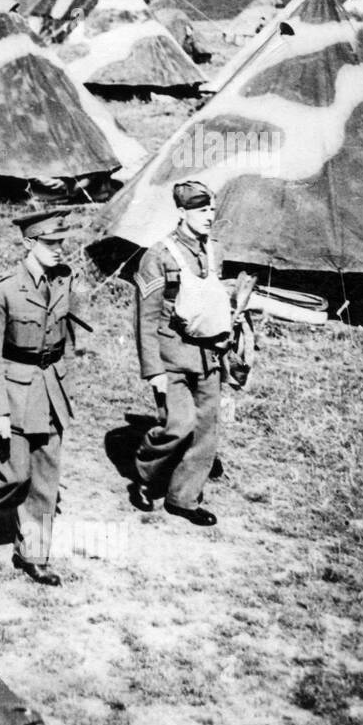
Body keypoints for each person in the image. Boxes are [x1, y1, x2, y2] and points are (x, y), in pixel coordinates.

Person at [0, 208, 82, 585]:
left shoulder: (65, 280)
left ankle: (34, 553)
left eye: (61, 242)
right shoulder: (3, 287)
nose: (58, 249)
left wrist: (67, 385)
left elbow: (68, 340)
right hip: (14, 390)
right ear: (29, 243)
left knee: (46, 476)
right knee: (15, 473)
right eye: (49, 243)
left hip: (51, 388)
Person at [132, 180, 227, 527]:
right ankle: (145, 475)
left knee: (206, 429)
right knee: (178, 425)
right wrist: (152, 368)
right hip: (171, 356)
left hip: (208, 354)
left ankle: (183, 498)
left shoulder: (214, 250)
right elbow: (146, 317)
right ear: (182, 212)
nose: (209, 216)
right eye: (201, 210)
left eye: (212, 209)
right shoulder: (157, 256)